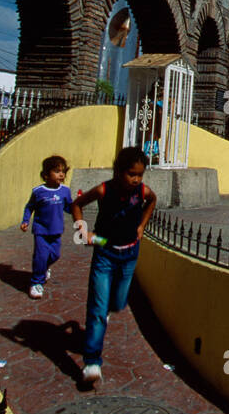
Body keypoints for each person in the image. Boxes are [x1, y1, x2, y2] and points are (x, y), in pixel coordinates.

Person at [71, 146, 156, 386]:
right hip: (105, 252)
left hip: (129, 253)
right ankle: (92, 362)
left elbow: (152, 200)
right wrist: (82, 230)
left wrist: (141, 226)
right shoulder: (103, 189)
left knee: (118, 303)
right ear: (119, 171)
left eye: (140, 174)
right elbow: (76, 205)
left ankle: (104, 313)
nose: (136, 179)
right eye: (132, 174)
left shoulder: (142, 191)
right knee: (97, 309)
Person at [21, 155, 73, 298]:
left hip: (56, 230)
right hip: (41, 230)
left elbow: (69, 207)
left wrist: (77, 209)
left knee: (55, 255)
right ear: (45, 175)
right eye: (57, 171)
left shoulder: (65, 191)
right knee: (41, 256)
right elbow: (29, 207)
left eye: (63, 172)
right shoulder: (38, 191)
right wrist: (25, 220)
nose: (61, 174)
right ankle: (36, 282)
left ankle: (44, 268)